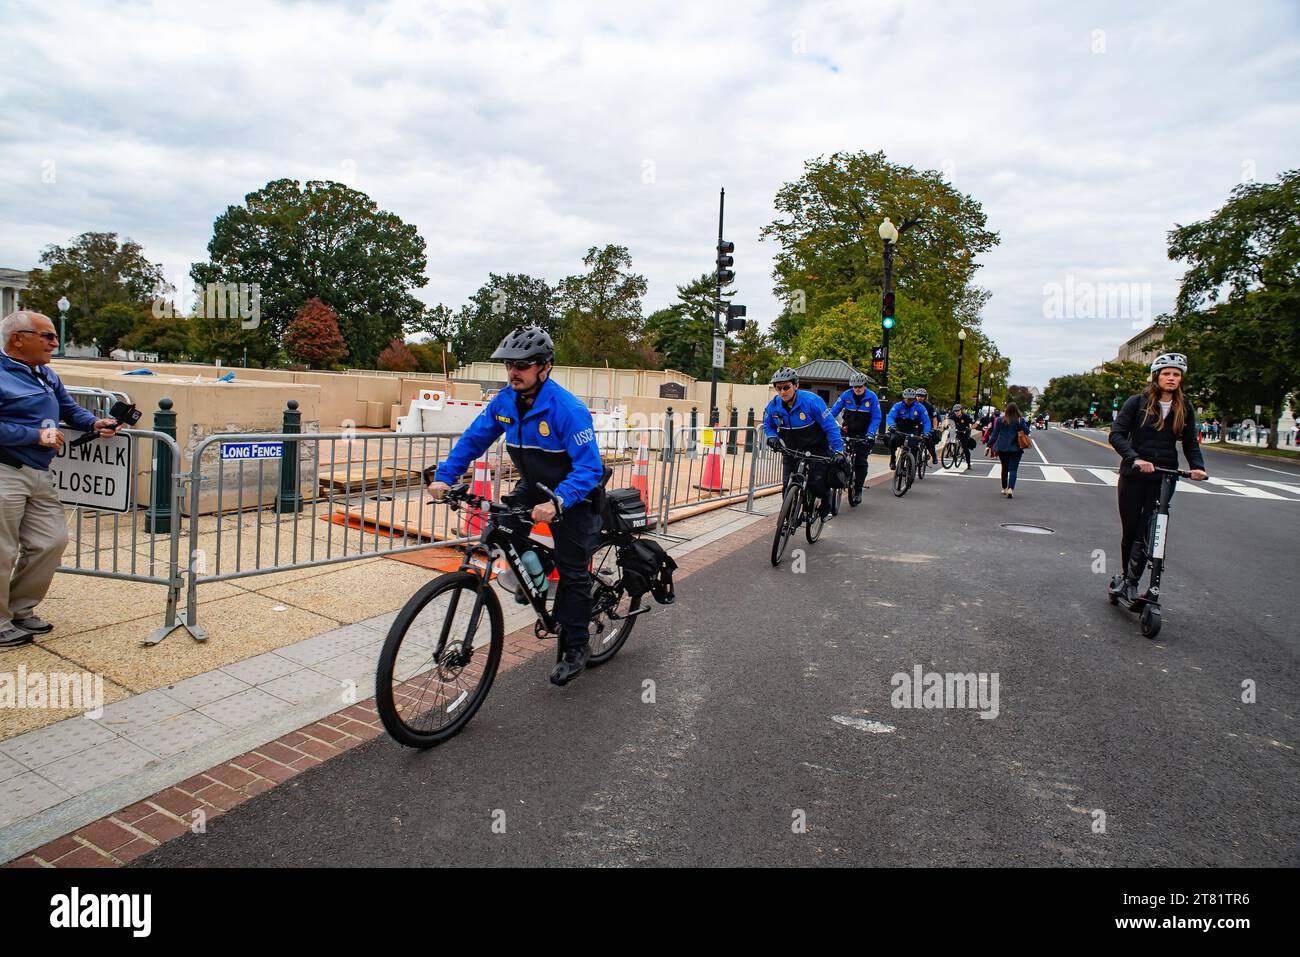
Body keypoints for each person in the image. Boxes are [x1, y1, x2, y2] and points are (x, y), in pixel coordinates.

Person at [426, 326, 603, 686]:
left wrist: (559, 500)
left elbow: (590, 468)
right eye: (509, 365)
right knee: (500, 532)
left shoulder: (567, 409)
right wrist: (446, 476)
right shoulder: (505, 401)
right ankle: (535, 575)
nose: (513, 372)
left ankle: (577, 646)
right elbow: (474, 439)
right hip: (532, 488)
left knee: (572, 573)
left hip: (574, 494)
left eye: (522, 365)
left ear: (545, 367)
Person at [1, 311, 119, 649]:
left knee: (52, 541)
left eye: (54, 336)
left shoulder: (45, 374)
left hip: (39, 473)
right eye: (47, 336)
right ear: (18, 338)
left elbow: (68, 410)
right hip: (5, 469)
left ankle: (19, 609)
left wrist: (95, 424)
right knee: (2, 550)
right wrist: (34, 435)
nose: (56, 342)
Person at [1106, 353, 1208, 603]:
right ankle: (1126, 576)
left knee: (1147, 529)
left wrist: (1197, 467)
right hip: (1134, 474)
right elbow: (1116, 435)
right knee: (1131, 530)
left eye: (1176, 375)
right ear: (1156, 377)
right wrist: (1136, 459)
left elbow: (1190, 443)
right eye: (1167, 374)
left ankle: (1131, 582)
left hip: (1164, 477)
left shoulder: (1184, 407)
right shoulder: (1136, 402)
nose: (1172, 378)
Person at [762, 368, 846, 518]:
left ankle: (825, 498)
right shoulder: (773, 406)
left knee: (816, 484)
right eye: (778, 388)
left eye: (786, 387)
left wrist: (838, 450)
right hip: (791, 449)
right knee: (788, 485)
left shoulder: (812, 402)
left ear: (796, 385)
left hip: (816, 448)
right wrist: (771, 437)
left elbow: (831, 427)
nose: (782, 392)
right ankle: (787, 520)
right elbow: (768, 425)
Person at [828, 372, 881, 506]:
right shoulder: (846, 395)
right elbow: (833, 411)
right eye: (854, 386)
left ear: (865, 386)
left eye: (860, 386)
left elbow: (876, 418)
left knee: (860, 462)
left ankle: (858, 490)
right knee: (837, 456)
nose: (857, 389)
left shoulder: (872, 397)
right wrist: (827, 424)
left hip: (864, 434)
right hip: (847, 431)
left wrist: (870, 434)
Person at [987, 401, 1030, 498]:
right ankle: (1011, 488)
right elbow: (1027, 431)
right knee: (1014, 469)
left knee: (1004, 468)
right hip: (1016, 449)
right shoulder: (1020, 420)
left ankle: (1004, 488)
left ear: (1006, 410)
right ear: (1016, 410)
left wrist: (988, 446)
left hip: (1002, 448)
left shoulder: (1000, 420)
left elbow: (994, 435)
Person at [885, 388, 932, 470]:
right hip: (899, 428)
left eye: (911, 399)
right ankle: (893, 457)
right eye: (907, 399)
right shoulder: (898, 406)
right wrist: (892, 425)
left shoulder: (920, 407)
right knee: (892, 439)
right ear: (903, 398)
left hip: (913, 429)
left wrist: (926, 433)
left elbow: (926, 422)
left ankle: (910, 467)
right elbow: (890, 416)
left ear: (914, 399)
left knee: (914, 446)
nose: (908, 401)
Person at [915, 389, 940, 465]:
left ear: (925, 397)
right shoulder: (912, 404)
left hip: (927, 426)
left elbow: (935, 418)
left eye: (922, 396)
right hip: (916, 425)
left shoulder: (929, 406)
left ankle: (934, 456)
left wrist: (934, 429)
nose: (919, 398)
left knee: (928, 441)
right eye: (918, 396)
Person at [949, 404, 975, 470]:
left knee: (965, 447)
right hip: (957, 430)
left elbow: (973, 423)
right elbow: (948, 423)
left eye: (958, 410)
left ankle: (968, 464)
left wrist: (970, 428)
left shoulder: (966, 416)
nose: (957, 412)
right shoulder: (952, 416)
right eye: (955, 411)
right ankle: (950, 451)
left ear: (961, 410)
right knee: (949, 438)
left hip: (965, 431)